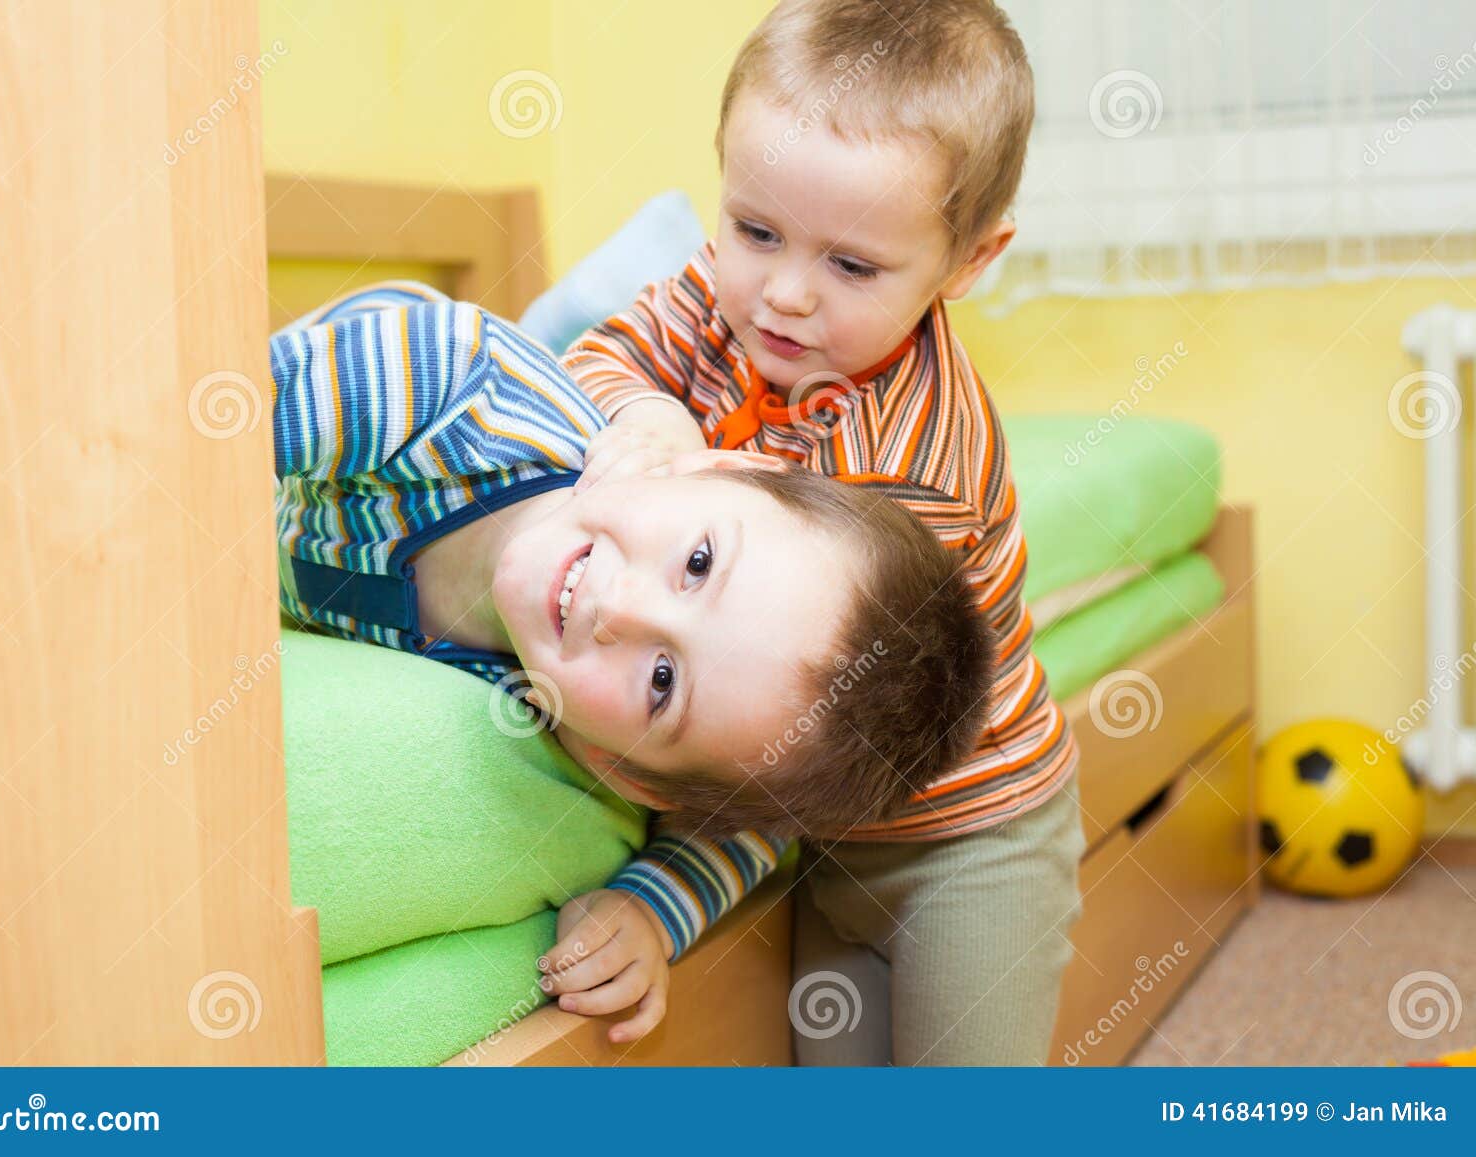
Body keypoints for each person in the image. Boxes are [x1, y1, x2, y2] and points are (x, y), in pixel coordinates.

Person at [558, 0, 1085, 1065]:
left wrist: (658, 892)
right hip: (821, 834)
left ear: (969, 259)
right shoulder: (719, 292)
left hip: (965, 836)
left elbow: (803, 725)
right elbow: (594, 356)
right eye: (756, 231)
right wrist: (651, 413)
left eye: (852, 267)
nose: (784, 296)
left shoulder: (911, 474)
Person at [269, 279, 997, 1044]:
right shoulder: (460, 390)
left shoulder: (557, 703)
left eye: (662, 681)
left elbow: (745, 832)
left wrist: (649, 909)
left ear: (627, 774)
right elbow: (216, 428)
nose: (620, 606)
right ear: (713, 467)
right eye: (698, 562)